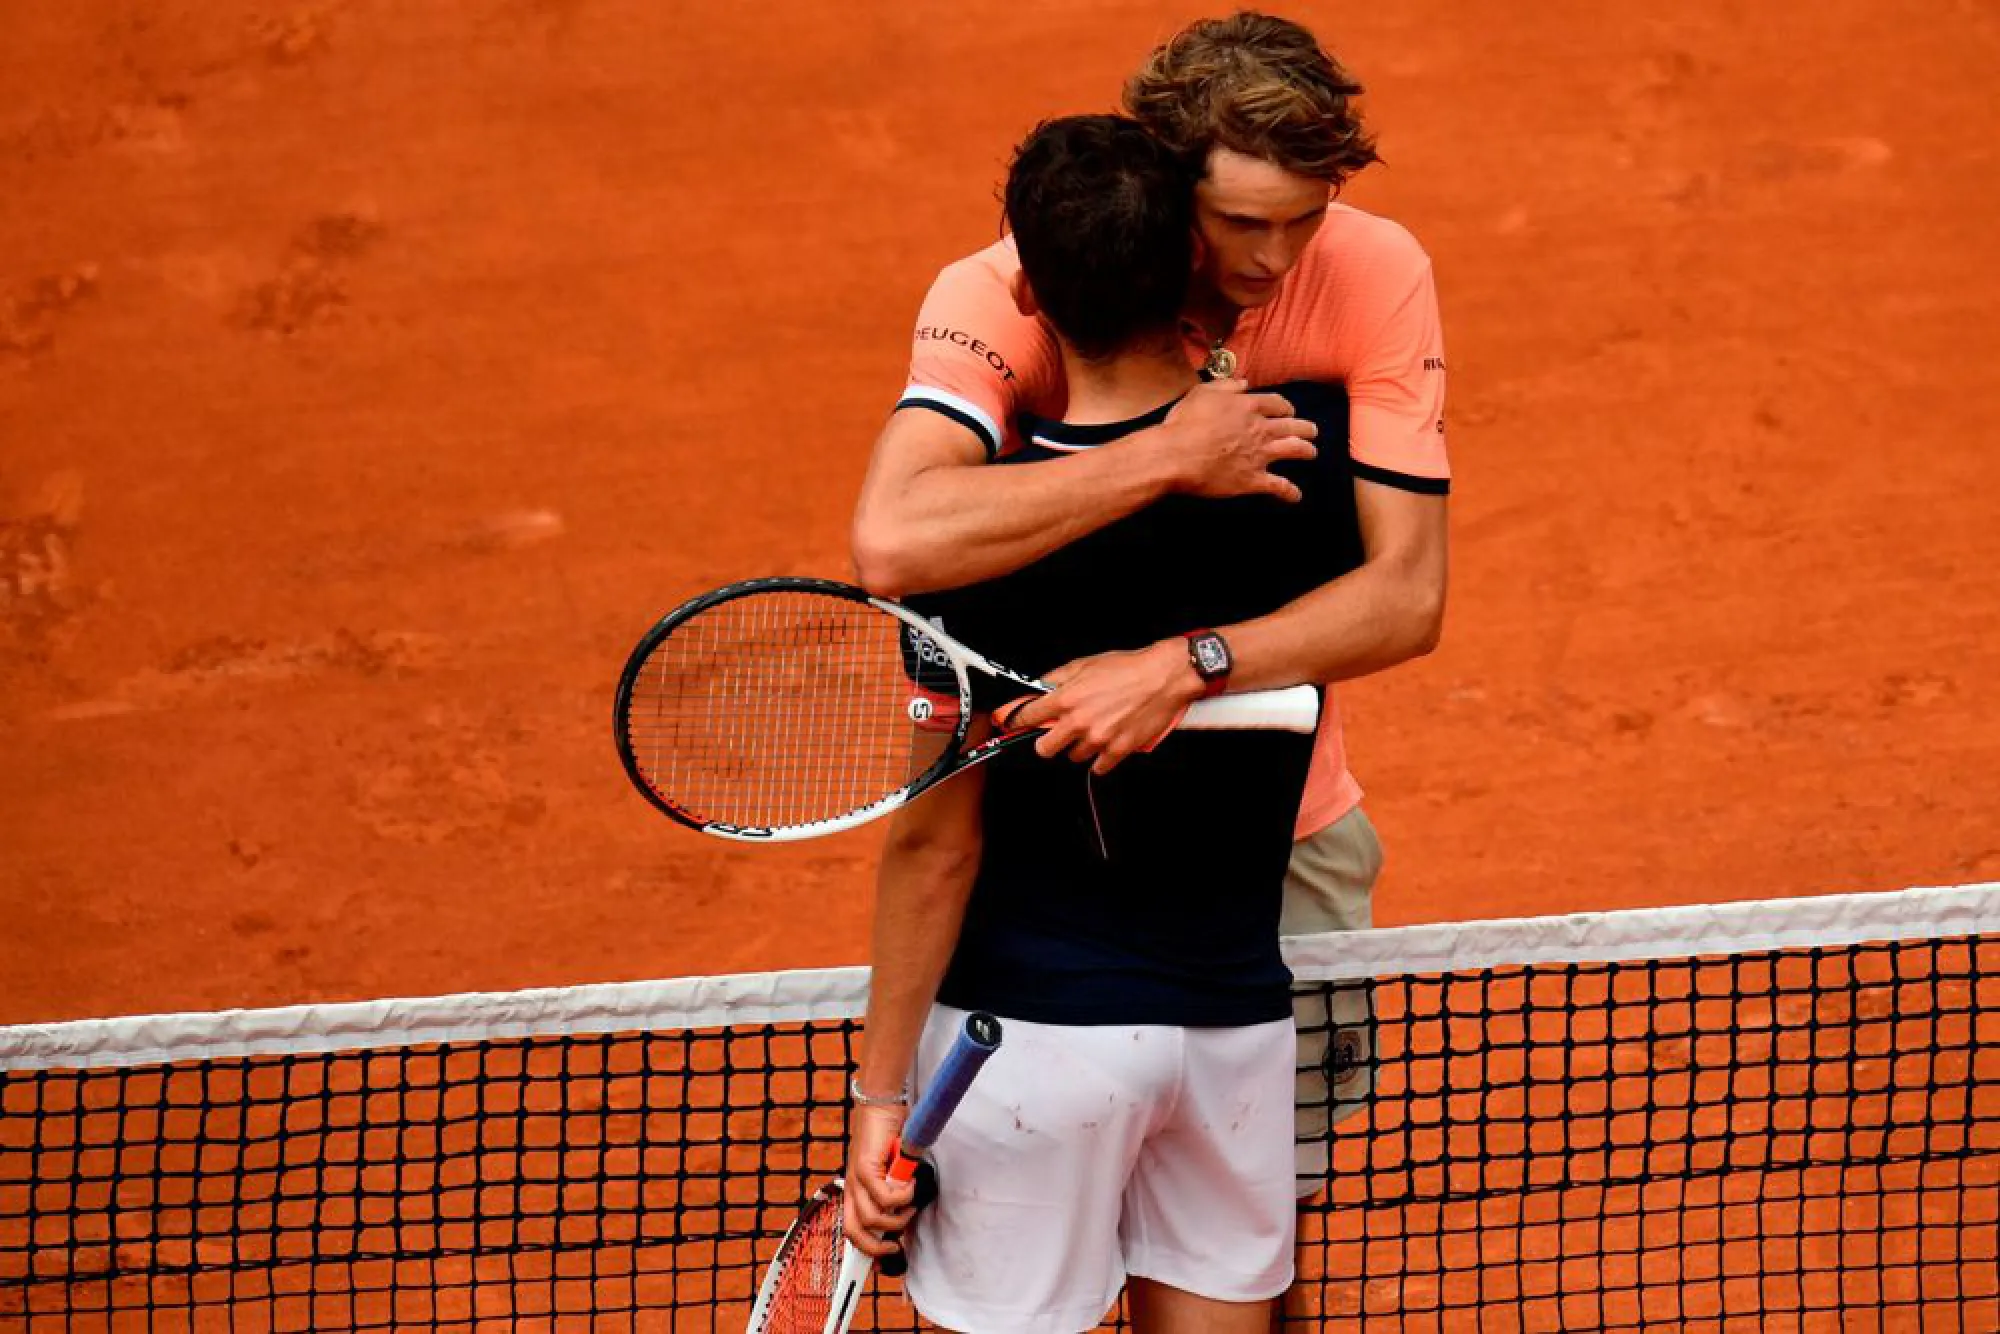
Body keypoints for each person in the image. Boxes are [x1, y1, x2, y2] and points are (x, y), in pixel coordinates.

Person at [848, 12, 1452, 1186]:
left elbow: (1408, 595)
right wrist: (1167, 455)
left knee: (1262, 1239)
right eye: (1239, 222)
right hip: (1042, 872)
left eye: (1303, 218)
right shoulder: (1006, 291)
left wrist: (1184, 665)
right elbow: (891, 540)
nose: (1275, 259)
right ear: (1166, 188)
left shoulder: (1376, 273)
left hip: (1282, 842)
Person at [844, 114, 1364, 1334]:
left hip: (1024, 1048)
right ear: (1194, 267)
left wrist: (878, 1100)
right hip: (1235, 1038)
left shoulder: (965, 556)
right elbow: (1398, 602)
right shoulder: (1318, 475)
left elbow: (935, 846)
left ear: (1024, 291)